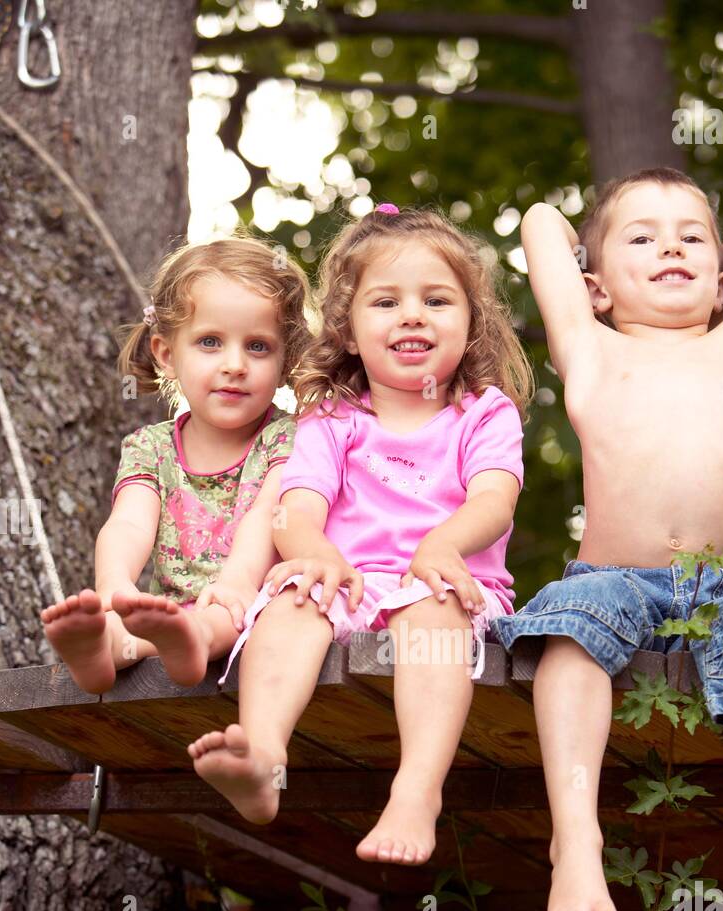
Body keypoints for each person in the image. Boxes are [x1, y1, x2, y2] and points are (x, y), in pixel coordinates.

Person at [492, 168, 723, 911]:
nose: (670, 248)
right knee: (567, 627)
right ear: (595, 288)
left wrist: (716, 270)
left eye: (690, 237)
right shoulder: (590, 347)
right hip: (614, 578)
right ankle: (576, 843)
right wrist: (598, 266)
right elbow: (540, 219)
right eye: (641, 239)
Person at [187, 204, 533, 863]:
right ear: (347, 330)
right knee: (292, 598)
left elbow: (495, 499)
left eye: (437, 300)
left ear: (472, 322)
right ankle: (263, 755)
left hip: (448, 582)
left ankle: (416, 792)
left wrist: (441, 546)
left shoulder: (483, 413)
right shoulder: (332, 417)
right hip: (349, 580)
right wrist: (315, 555)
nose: (413, 316)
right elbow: (295, 509)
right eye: (386, 302)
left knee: (433, 609)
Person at [40, 234, 310, 692]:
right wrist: (114, 586)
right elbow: (129, 523)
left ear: (286, 362)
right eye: (210, 342)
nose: (235, 364)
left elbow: (269, 514)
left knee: (225, 615)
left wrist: (235, 584)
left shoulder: (289, 437)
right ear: (166, 355)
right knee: (125, 624)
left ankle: (192, 639)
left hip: (254, 609)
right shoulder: (150, 446)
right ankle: (103, 648)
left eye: (258, 346)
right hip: (166, 617)